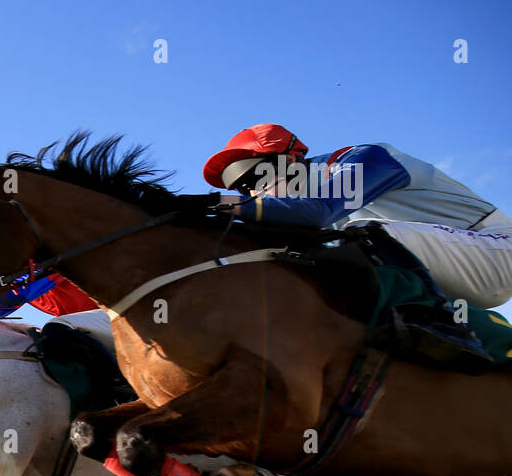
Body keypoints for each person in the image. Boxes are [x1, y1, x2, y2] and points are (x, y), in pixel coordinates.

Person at [203, 123, 512, 370]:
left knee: (360, 235)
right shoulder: (299, 206)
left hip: (496, 250)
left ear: (291, 159)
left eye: (255, 176)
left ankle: (445, 329)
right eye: (239, 187)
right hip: (446, 268)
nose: (252, 190)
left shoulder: (367, 157)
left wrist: (218, 203)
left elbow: (319, 210)